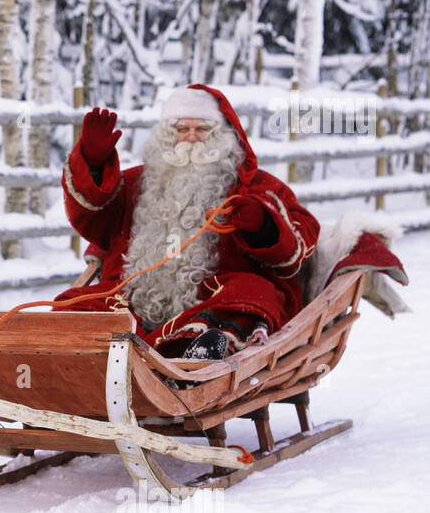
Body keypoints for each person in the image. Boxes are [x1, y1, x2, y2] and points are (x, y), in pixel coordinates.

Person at [56, 83, 319, 360]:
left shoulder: (254, 186)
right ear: (166, 137)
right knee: (77, 307)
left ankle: (195, 354)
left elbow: (304, 236)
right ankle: (75, 362)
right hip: (132, 301)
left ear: (222, 136)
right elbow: (93, 218)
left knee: (251, 295)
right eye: (181, 129)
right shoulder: (138, 183)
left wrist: (263, 226)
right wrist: (93, 164)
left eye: (203, 129)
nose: (191, 138)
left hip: (211, 297)